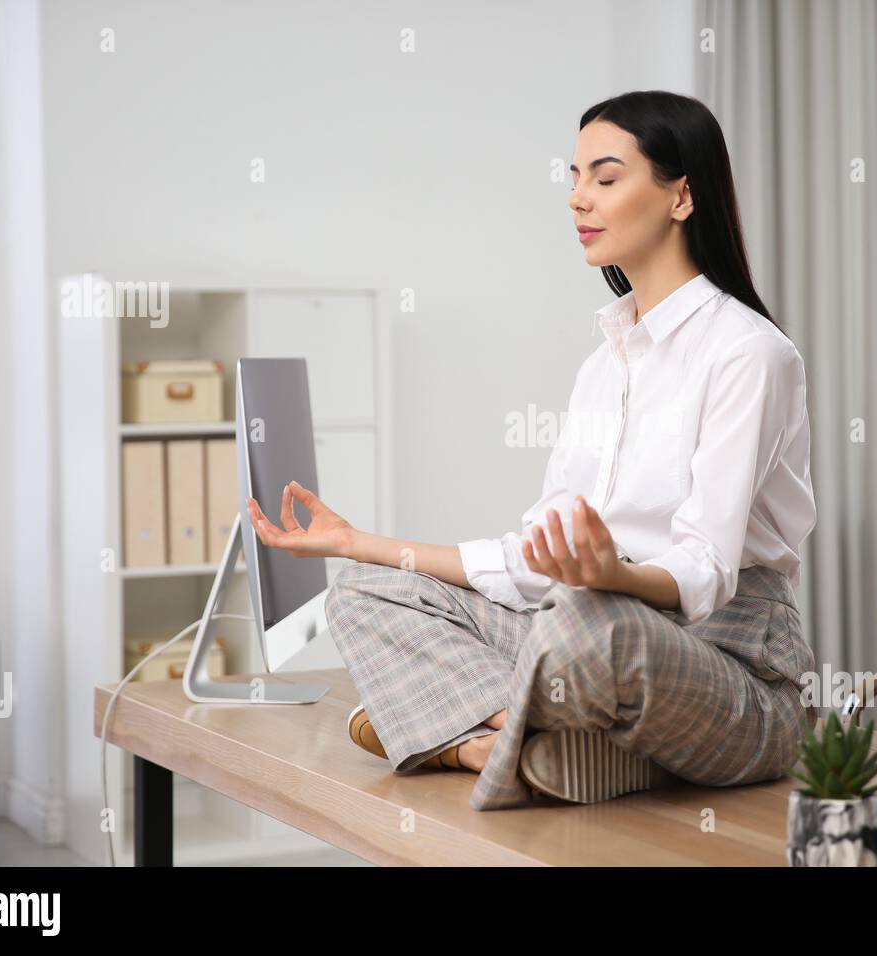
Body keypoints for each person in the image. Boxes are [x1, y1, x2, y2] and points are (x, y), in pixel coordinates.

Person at [246, 90, 817, 811]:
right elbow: (527, 562)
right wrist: (359, 542)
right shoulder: (601, 369)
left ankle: (453, 732)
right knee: (363, 591)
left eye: (604, 179)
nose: (580, 199)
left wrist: (613, 575)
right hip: (586, 635)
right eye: (574, 179)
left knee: (586, 622)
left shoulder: (750, 355)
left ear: (680, 196)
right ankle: (513, 744)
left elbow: (704, 570)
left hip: (728, 670)